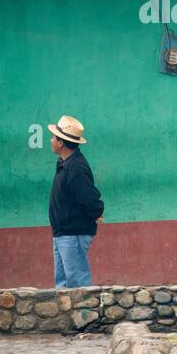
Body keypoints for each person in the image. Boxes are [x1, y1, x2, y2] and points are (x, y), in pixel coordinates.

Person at [47, 114, 104, 289]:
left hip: (73, 234)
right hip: (63, 233)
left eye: (53, 137)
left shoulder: (76, 167)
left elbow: (89, 196)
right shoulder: (66, 163)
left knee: (78, 285)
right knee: (63, 285)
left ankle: (84, 315)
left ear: (61, 142)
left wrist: (97, 212)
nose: (51, 140)